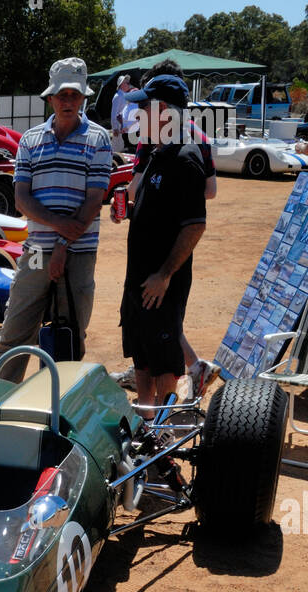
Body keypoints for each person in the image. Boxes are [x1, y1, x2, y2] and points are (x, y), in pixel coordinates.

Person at [0, 57, 111, 383]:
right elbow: (21, 199)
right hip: (38, 251)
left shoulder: (99, 139)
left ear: (83, 97)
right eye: (62, 94)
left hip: (79, 252)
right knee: (13, 334)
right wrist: (59, 231)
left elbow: (93, 202)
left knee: (68, 340)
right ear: (51, 97)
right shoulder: (29, 140)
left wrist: (62, 244)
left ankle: (55, 410)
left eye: (74, 94)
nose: (68, 101)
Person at [123, 59, 219, 398]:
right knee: (143, 362)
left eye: (142, 108)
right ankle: (147, 430)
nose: (137, 115)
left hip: (160, 283)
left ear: (162, 110)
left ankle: (162, 439)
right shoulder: (155, 154)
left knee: (165, 365)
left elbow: (195, 225)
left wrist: (164, 275)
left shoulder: (185, 158)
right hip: (139, 280)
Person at [110, 74, 137, 152]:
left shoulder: (124, 95)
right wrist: (115, 128)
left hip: (124, 127)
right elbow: (114, 113)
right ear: (121, 84)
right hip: (119, 127)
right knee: (117, 148)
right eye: (126, 83)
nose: (128, 84)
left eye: (128, 82)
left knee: (123, 147)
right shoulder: (118, 96)